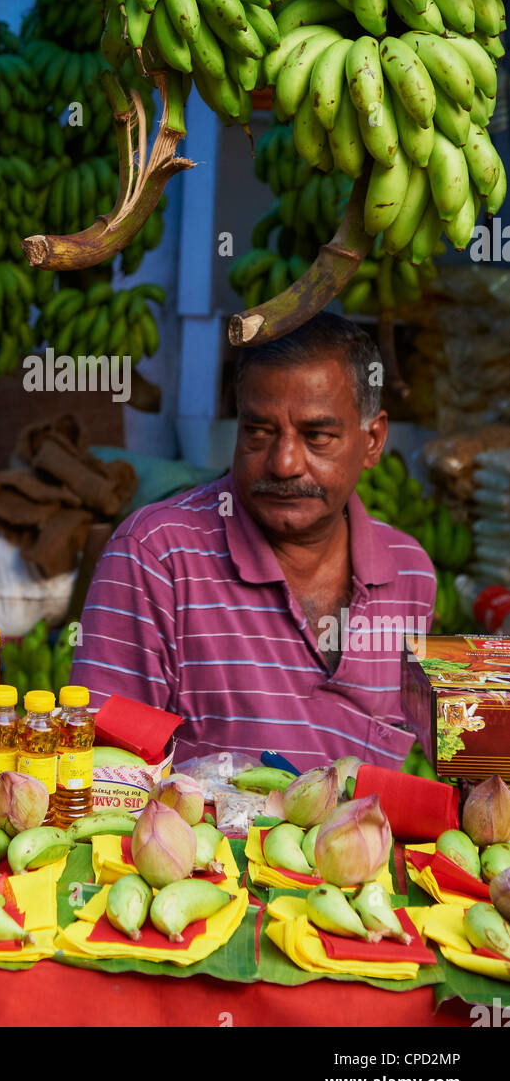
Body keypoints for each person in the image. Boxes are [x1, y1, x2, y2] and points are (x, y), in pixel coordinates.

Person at [68, 313, 436, 770]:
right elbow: (105, 772)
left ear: (373, 440)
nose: (283, 464)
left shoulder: (410, 572)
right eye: (259, 432)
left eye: (317, 436)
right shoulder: (156, 556)